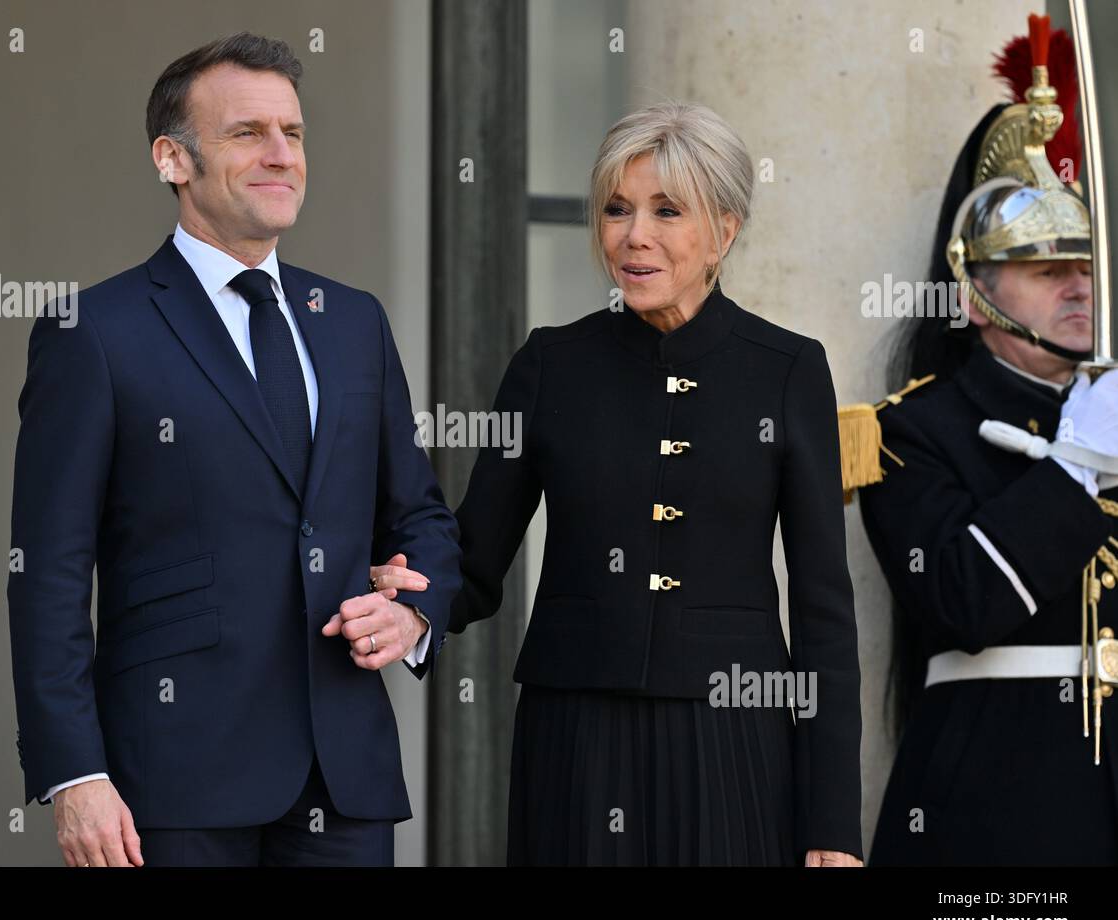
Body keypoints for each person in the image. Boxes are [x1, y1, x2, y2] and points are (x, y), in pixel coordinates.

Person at [7, 32, 460, 867]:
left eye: (292, 133)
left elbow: (420, 516)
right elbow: (48, 572)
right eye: (247, 133)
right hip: (169, 784)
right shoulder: (95, 333)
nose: (280, 154)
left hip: (344, 778)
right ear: (172, 159)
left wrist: (414, 610)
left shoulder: (354, 321)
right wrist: (75, 773)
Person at [375, 102, 862, 865]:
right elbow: (473, 560)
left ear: (724, 233)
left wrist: (833, 824)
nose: (634, 235)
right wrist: (409, 601)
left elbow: (825, 608)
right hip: (575, 738)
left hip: (731, 736)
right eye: (616, 209)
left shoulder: (789, 370)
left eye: (668, 211)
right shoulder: (550, 365)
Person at [861, 19, 1118, 864]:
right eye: (1050, 273)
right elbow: (964, 601)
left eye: (1089, 271)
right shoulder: (910, 429)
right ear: (976, 299)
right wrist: (1075, 465)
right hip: (995, 802)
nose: (1079, 289)